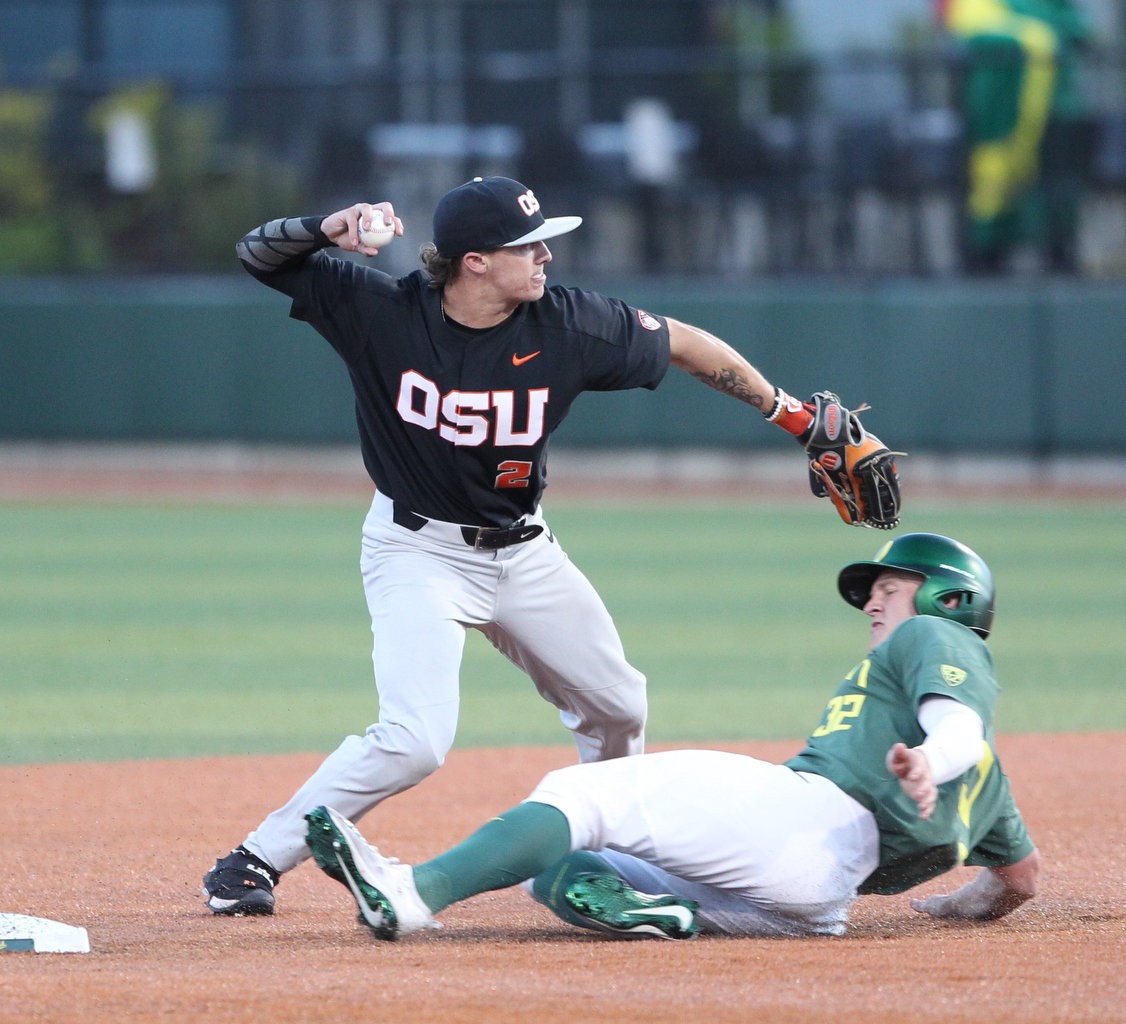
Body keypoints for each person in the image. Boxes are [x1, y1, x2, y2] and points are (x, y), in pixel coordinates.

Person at [202, 175, 845, 915]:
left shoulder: (568, 323)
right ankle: (254, 858)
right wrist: (326, 227)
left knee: (617, 705)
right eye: (526, 245)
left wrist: (795, 419)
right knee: (415, 740)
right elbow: (259, 256)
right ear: (474, 261)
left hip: (523, 549)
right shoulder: (380, 310)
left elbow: (688, 346)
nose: (545, 256)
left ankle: (596, 859)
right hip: (418, 551)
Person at [304, 532, 1040, 940]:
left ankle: (410, 893)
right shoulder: (994, 793)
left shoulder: (938, 637)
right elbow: (1018, 883)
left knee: (578, 793)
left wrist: (929, 760)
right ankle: (660, 917)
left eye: (892, 586)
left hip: (807, 820)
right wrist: (943, 906)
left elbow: (961, 731)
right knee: (557, 864)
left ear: (950, 599)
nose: (875, 601)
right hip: (814, 901)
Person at [942, 0, 1092, 273]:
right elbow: (961, 23)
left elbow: (1078, 30)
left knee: (1056, 194)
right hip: (996, 122)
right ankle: (988, 254)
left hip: (1055, 113)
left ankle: (1058, 255)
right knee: (994, 188)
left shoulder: (1054, 13)